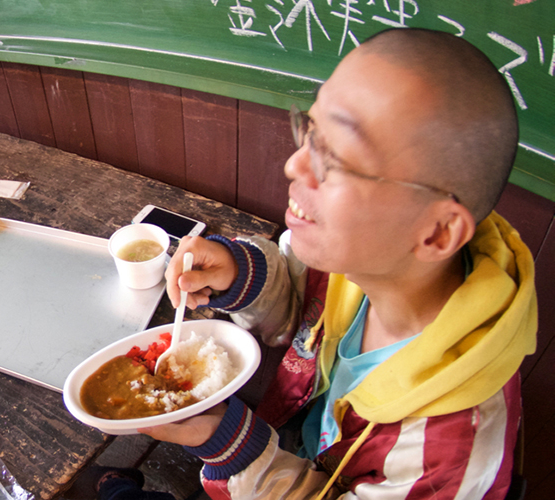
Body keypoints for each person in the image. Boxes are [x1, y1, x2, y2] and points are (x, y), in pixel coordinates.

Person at [86, 28, 536, 499]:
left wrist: (232, 448)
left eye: (337, 160)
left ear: (437, 232)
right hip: (295, 445)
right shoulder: (362, 259)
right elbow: (303, 298)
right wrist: (242, 275)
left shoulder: (446, 457)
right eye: (311, 131)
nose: (294, 166)